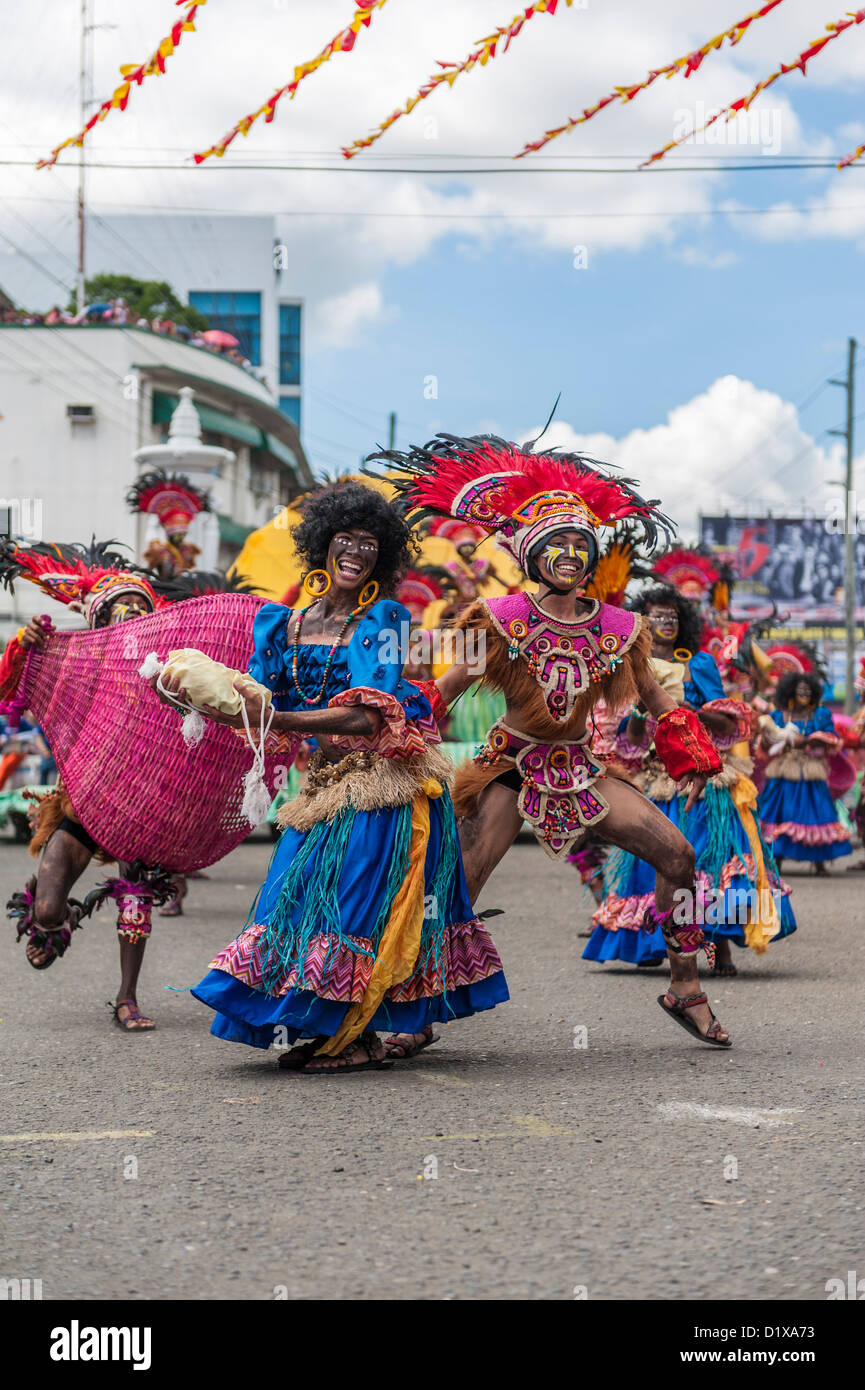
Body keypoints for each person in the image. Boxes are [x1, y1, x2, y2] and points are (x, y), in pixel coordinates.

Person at [370, 433, 732, 1047]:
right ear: (533, 555)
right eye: (557, 544)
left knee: (679, 858)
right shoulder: (497, 617)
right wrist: (393, 728)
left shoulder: (622, 629)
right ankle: (419, 1014)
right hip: (509, 767)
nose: (570, 553)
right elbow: (445, 687)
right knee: (456, 881)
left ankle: (685, 987)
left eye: (580, 545)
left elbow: (659, 700)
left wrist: (693, 758)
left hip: (583, 769)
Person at [175, 483, 508, 1073]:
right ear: (321, 545)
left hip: (385, 786)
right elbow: (253, 698)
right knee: (291, 901)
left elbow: (369, 711)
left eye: (370, 545)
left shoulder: (384, 619)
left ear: (383, 558)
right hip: (324, 790)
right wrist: (202, 697)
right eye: (345, 540)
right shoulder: (280, 626)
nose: (355, 551)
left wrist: (281, 715)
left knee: (353, 909)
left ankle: (354, 1037)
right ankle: (329, 1027)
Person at [0, 541, 177, 1030]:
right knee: (48, 907)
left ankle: (127, 999)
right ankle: (61, 916)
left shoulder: (171, 669)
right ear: (98, 624)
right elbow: (6, 689)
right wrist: (26, 643)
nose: (126, 620)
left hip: (139, 808)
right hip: (81, 804)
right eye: (116, 614)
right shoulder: (78, 664)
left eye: (136, 612)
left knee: (135, 895)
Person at [583, 585, 795, 977]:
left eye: (673, 616)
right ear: (642, 623)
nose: (667, 623)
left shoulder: (699, 663)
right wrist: (641, 711)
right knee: (655, 865)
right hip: (657, 779)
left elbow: (726, 722)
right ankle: (655, 945)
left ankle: (721, 945)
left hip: (703, 776)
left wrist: (680, 707)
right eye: (658, 616)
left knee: (711, 860)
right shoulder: (633, 665)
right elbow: (631, 741)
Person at [757, 671, 852, 874]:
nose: (804, 692)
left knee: (817, 813)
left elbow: (832, 738)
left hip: (811, 771)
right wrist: (770, 739)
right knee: (779, 813)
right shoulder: (777, 715)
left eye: (808, 690)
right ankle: (777, 861)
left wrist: (810, 741)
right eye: (800, 689)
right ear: (790, 691)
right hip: (784, 771)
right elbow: (766, 743)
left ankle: (819, 863)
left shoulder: (820, 715)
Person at [126, 468, 210, 579]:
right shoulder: (158, 550)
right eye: (177, 534)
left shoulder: (188, 549)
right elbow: (148, 572)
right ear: (168, 533)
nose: (180, 538)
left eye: (182, 534)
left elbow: (190, 569)